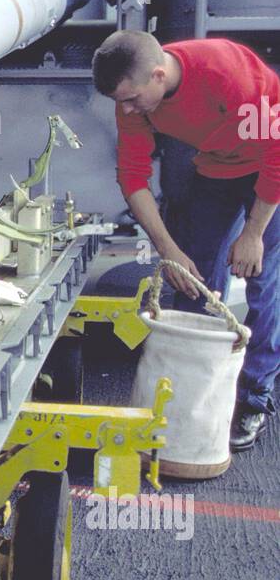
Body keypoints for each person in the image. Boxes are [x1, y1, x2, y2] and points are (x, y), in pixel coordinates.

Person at [93, 30, 280, 450]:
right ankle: (184, 394)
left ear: (158, 76)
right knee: (191, 280)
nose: (125, 110)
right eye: (119, 102)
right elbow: (132, 175)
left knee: (263, 282)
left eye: (131, 99)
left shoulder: (229, 74)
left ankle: (253, 399)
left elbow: (276, 154)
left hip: (269, 168)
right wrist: (169, 249)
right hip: (217, 169)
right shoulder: (135, 97)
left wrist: (253, 234)